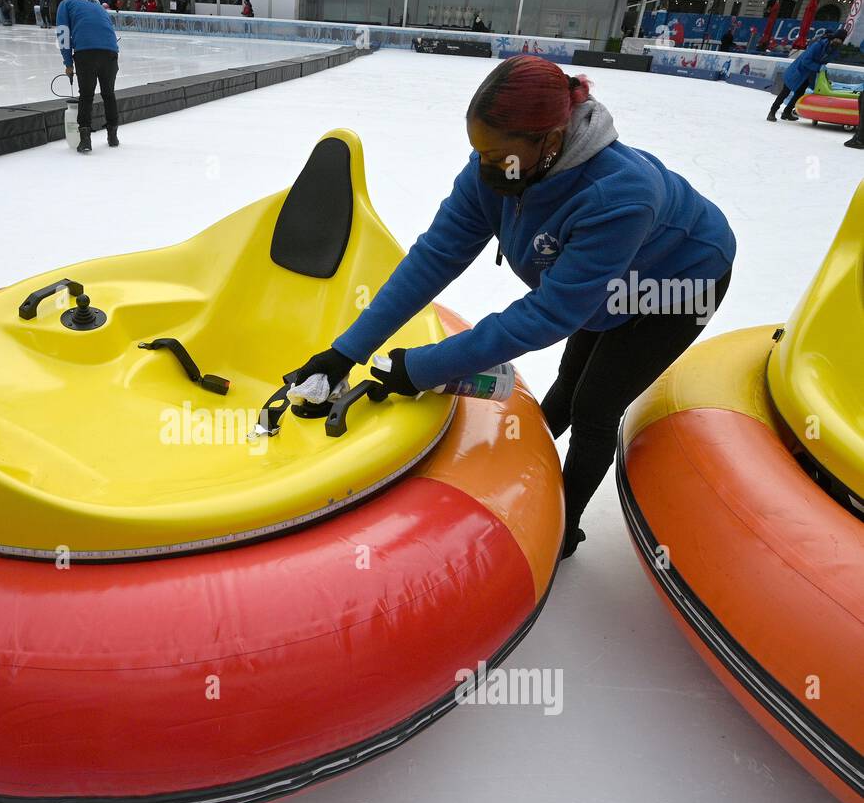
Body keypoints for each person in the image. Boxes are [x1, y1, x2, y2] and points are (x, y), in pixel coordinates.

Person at [284, 56, 736, 559]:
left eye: (498, 156)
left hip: (678, 284)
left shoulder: (619, 195)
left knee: (594, 407)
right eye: (477, 151)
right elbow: (434, 258)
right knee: (568, 386)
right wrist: (345, 351)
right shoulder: (492, 170)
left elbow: (549, 314)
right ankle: (530, 471)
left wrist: (421, 368)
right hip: (607, 281)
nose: (484, 166)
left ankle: (565, 526)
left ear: (550, 139)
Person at [58, 0, 121, 153]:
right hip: (110, 51)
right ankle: (113, 137)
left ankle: (85, 140)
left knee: (86, 95)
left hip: (86, 51)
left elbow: (63, 33)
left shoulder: (66, 3)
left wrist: (67, 63)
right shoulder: (99, 7)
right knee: (108, 94)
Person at [768, 29, 848, 122]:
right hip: (797, 71)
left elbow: (825, 61)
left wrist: (822, 71)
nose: (838, 42)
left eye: (841, 40)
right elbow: (806, 60)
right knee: (785, 92)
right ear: (833, 37)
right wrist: (818, 67)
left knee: (799, 93)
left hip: (809, 74)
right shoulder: (818, 45)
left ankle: (787, 112)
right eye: (837, 39)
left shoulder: (834, 50)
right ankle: (772, 112)